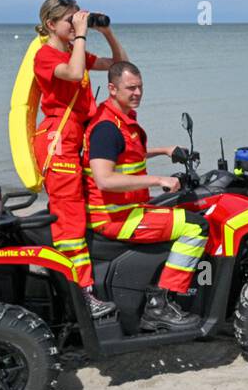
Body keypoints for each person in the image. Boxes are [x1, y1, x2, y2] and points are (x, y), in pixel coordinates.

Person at [84, 61, 209, 331]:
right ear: (112, 88)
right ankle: (160, 304)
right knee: (197, 226)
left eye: (140, 87)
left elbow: (126, 153)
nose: (138, 93)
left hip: (128, 209)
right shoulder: (106, 128)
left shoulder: (120, 119)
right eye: (131, 88)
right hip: (118, 217)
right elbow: (104, 178)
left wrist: (165, 150)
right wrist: (158, 179)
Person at [32, 0, 127, 319]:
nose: (75, 25)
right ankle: (82, 294)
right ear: (51, 25)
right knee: (70, 220)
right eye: (69, 21)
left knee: (86, 209)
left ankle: (85, 282)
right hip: (58, 143)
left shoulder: (76, 52)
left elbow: (119, 66)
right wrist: (82, 35)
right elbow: (73, 74)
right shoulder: (45, 55)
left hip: (76, 141)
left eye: (77, 19)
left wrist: (107, 32)